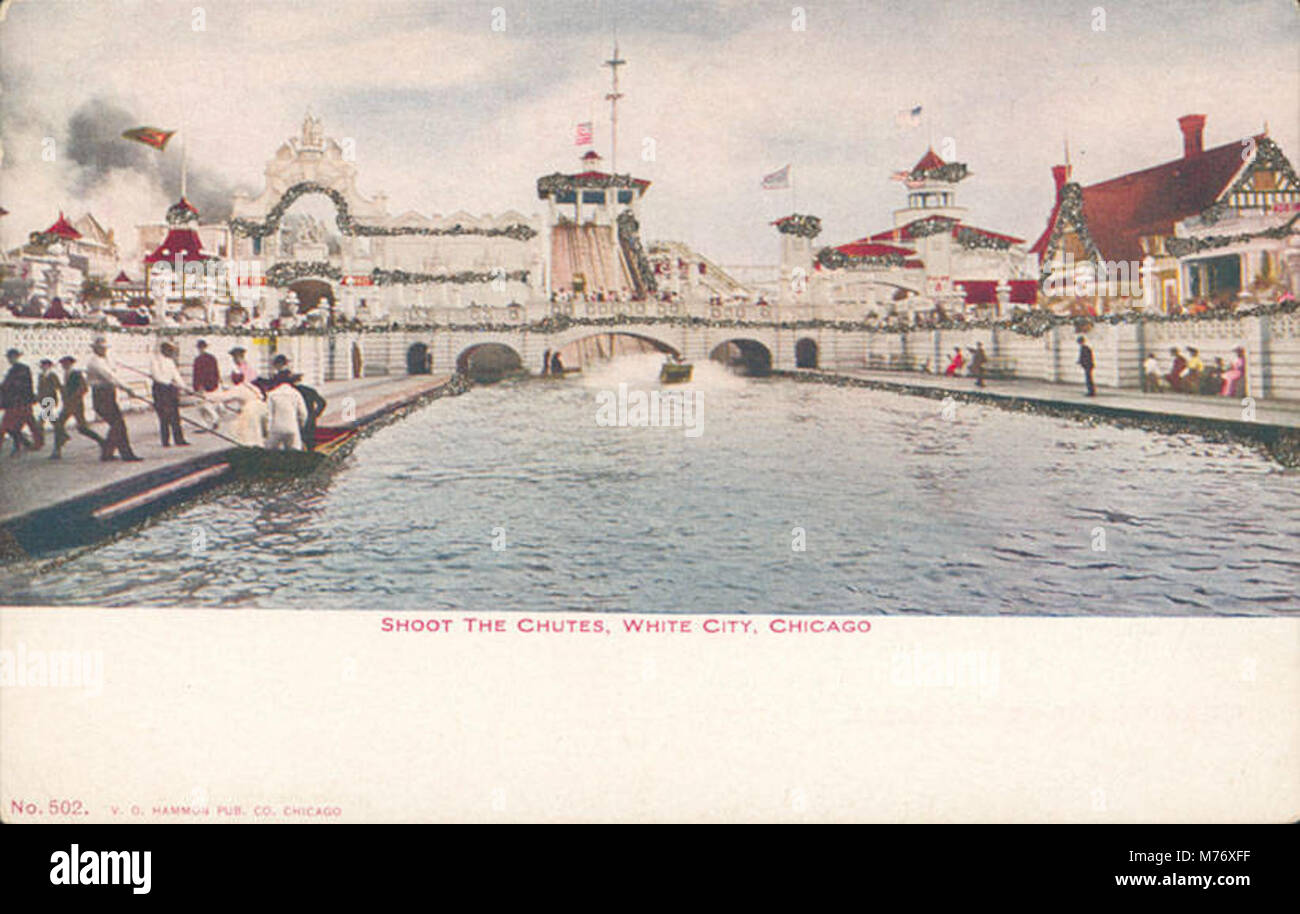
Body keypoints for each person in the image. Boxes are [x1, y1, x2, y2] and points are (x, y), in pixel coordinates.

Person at [86, 337, 141, 461]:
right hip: (102, 395)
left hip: (108, 394)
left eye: (105, 348)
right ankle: (125, 454)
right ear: (95, 349)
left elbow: (113, 372)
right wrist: (127, 388)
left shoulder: (104, 360)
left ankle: (108, 453)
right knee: (118, 424)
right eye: (101, 348)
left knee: (117, 425)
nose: (104, 350)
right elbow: (111, 377)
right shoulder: (95, 363)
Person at [52, 356, 104, 459]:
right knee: (80, 428)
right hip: (69, 404)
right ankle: (102, 441)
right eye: (62, 364)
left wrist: (74, 398)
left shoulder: (76, 374)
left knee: (61, 424)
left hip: (75, 404)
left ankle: (58, 449)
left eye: (65, 364)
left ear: (71, 364)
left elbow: (84, 388)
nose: (63, 365)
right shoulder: (66, 374)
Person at [2, 348, 44, 455]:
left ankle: (29, 444)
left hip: (21, 403)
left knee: (11, 426)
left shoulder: (23, 369)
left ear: (17, 357)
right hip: (15, 403)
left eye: (12, 357)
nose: (10, 359)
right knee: (13, 427)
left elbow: (23, 386)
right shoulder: (12, 371)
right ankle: (25, 445)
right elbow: (6, 386)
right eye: (9, 357)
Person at [150, 341, 189, 447]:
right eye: (169, 350)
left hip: (171, 390)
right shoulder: (155, 361)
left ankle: (179, 439)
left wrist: (184, 387)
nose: (171, 353)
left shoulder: (170, 362)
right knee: (164, 416)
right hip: (160, 390)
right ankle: (165, 441)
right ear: (164, 350)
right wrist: (169, 383)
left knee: (175, 415)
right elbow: (156, 376)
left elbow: (176, 375)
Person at [265, 377, 308, 451]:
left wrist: (267, 429)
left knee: (271, 453)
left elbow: (268, 414)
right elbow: (303, 413)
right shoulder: (296, 394)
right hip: (292, 427)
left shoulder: (272, 394)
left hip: (276, 428)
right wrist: (300, 425)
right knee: (294, 453)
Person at [192, 339, 221, 429]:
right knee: (206, 404)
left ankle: (213, 419)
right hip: (212, 384)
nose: (200, 349)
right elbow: (216, 371)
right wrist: (216, 382)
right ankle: (208, 422)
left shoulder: (198, 359)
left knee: (202, 405)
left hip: (203, 386)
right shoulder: (212, 358)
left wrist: (198, 386)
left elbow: (197, 374)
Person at [36, 359, 62, 441]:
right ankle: (62, 433)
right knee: (52, 419)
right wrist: (39, 397)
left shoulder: (52, 375)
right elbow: (39, 388)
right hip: (44, 400)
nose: (44, 367)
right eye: (43, 365)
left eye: (46, 365)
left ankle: (39, 439)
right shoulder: (40, 376)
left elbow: (57, 386)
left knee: (41, 419)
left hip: (51, 399)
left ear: (49, 366)